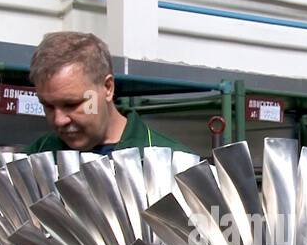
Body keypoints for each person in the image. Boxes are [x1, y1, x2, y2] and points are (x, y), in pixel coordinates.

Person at [26, 32, 192, 155]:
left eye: (71, 104)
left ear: (108, 87)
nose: (59, 120)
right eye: (48, 106)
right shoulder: (35, 158)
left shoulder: (172, 163)